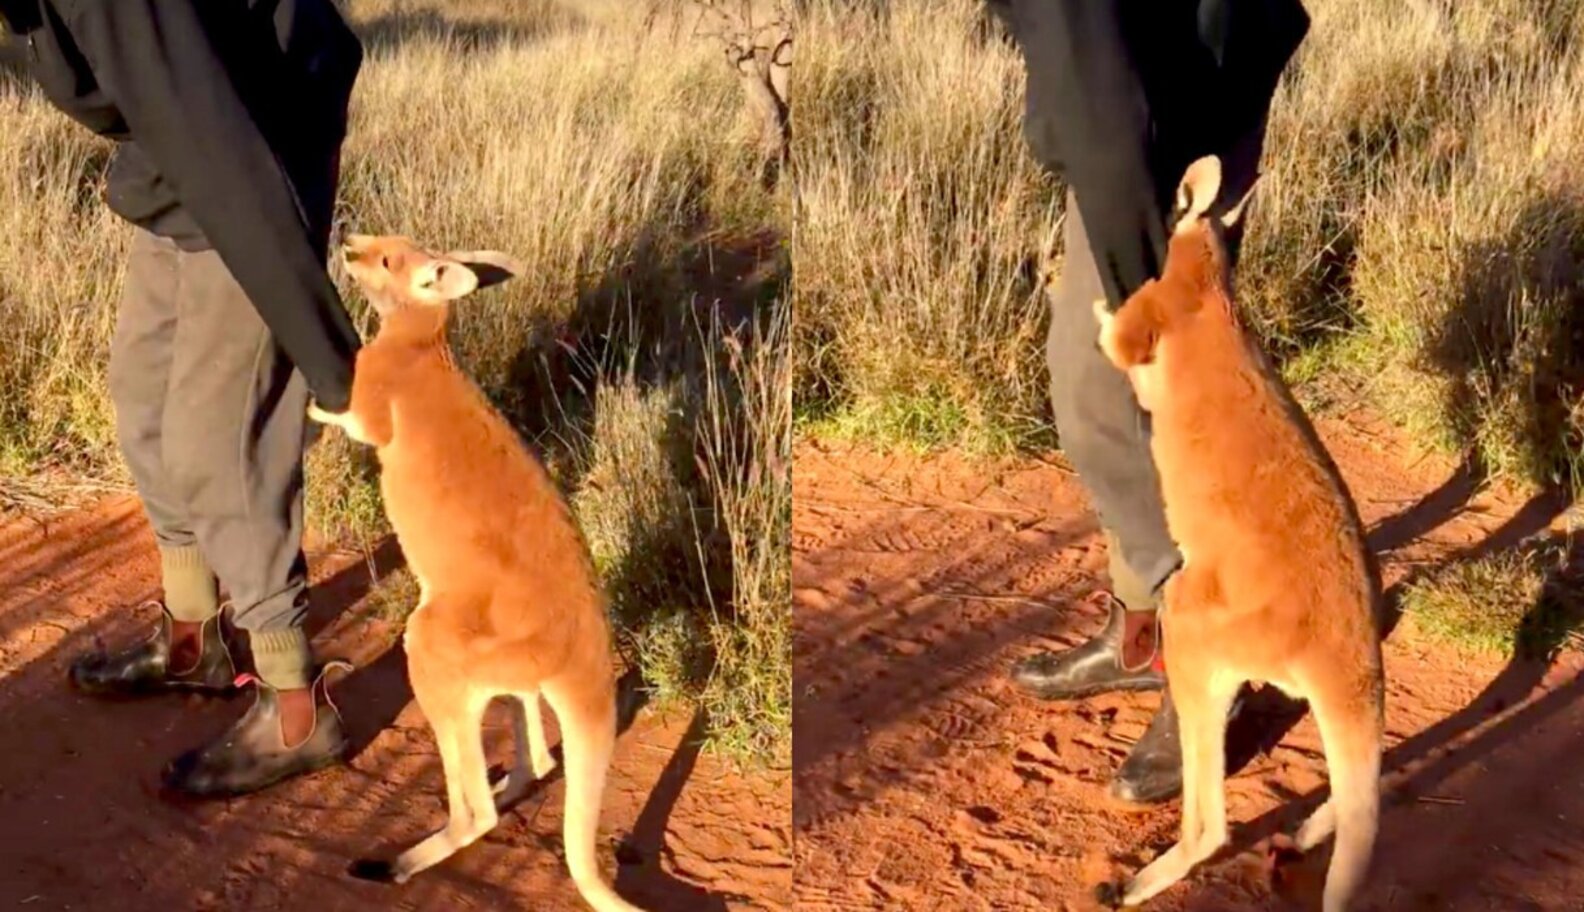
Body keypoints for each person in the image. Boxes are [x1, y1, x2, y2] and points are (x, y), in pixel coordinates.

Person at [1, 0, 364, 797]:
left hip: (253, 152)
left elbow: (229, 163)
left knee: (218, 445)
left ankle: (296, 708)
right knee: (145, 403)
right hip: (183, 148)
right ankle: (194, 641)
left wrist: (332, 363)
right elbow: (112, 95)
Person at [985, 0, 1311, 803]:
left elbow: (1102, 106)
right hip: (1160, 96)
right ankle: (1141, 637)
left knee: (1120, 411)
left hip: (1174, 129)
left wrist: (1142, 315)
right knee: (1103, 385)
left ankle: (1220, 657)